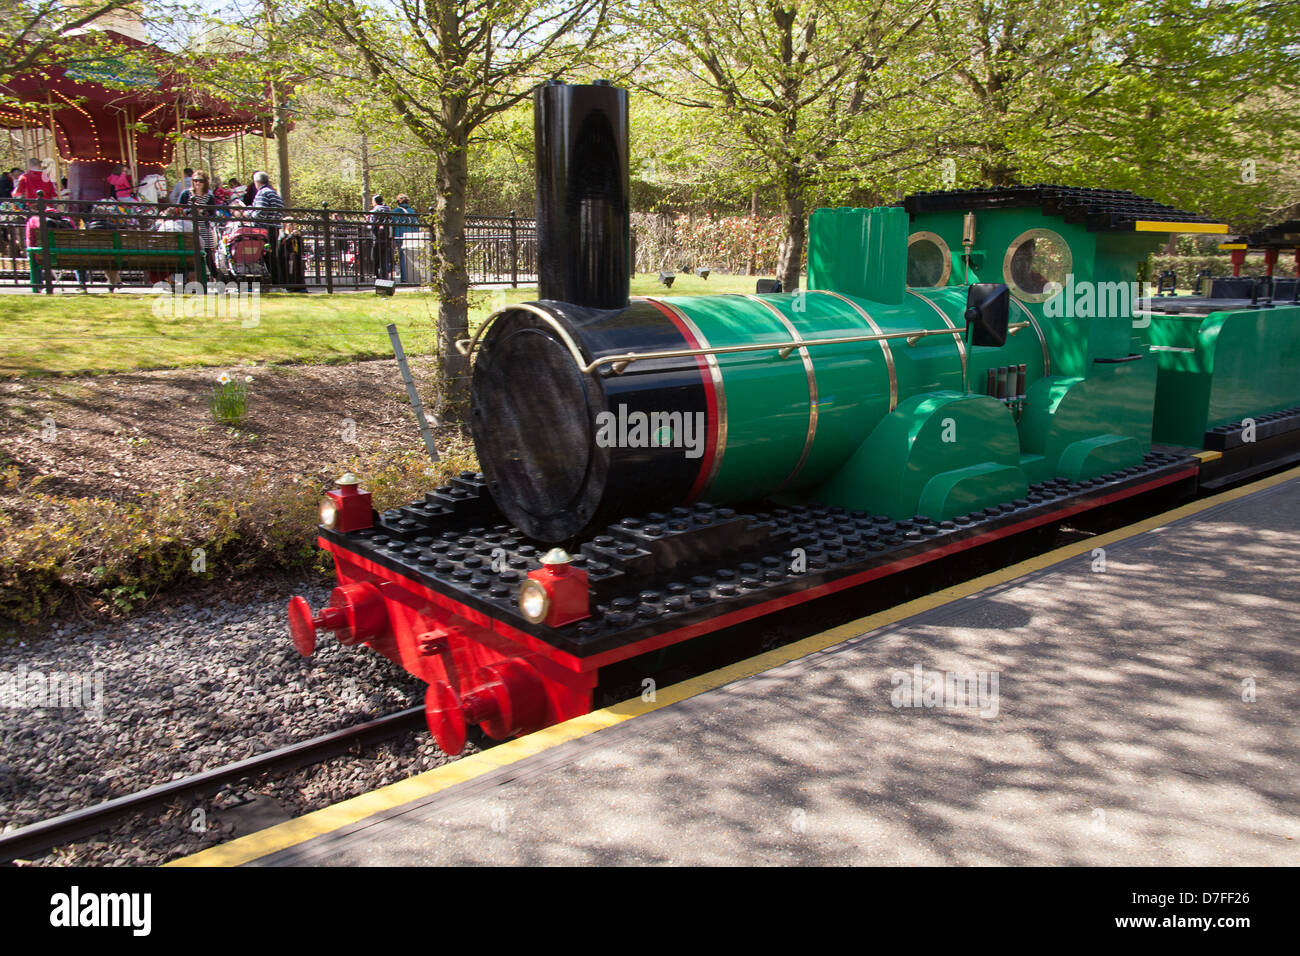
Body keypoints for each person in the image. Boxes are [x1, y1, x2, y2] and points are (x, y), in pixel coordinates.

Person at [180, 170, 218, 282]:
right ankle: (187, 279)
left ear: (205, 182)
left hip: (203, 228)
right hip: (189, 227)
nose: (197, 183)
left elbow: (213, 214)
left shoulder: (209, 197)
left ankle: (216, 278)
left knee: (207, 254)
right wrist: (190, 210)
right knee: (189, 254)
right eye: (195, 180)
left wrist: (203, 211)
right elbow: (179, 209)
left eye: (200, 181)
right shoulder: (186, 194)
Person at [250, 171, 283, 283]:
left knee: (266, 255)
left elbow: (260, 211)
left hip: (265, 229)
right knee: (272, 254)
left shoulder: (262, 193)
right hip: (274, 228)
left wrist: (249, 214)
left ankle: (274, 280)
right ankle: (277, 279)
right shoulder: (274, 193)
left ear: (257, 182)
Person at [392, 194, 419, 282]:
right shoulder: (412, 211)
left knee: (402, 256)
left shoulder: (396, 211)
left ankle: (404, 277)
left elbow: (392, 224)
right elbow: (416, 224)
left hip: (399, 235)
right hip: (411, 236)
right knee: (411, 256)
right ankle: (413, 276)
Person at [369, 194, 394, 281]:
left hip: (377, 238)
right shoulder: (388, 210)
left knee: (375, 258)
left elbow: (371, 225)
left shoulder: (374, 211)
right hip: (386, 238)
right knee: (384, 258)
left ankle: (377, 276)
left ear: (375, 202)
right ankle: (385, 276)